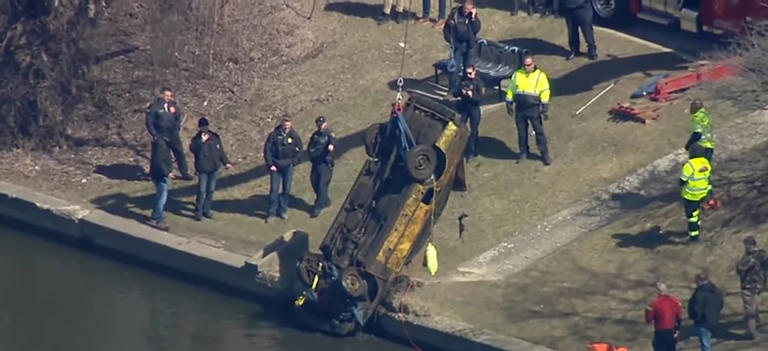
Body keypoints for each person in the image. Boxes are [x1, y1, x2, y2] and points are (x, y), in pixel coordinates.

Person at [505, 54, 552, 166]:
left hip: (533, 109)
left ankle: (544, 154)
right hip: (520, 109)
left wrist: (544, 107)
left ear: (533, 64)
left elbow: (545, 91)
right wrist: (508, 102)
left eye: (529, 65)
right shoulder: (517, 74)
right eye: (525, 65)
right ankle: (523, 152)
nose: (527, 67)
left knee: (539, 132)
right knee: (522, 132)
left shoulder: (540, 76)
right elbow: (511, 88)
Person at [145, 86, 194, 180]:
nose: (168, 98)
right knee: (161, 155)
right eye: (166, 95)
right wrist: (154, 134)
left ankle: (185, 173)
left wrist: (177, 128)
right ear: (162, 95)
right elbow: (149, 122)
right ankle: (163, 173)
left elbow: (178, 117)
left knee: (179, 153)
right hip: (160, 134)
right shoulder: (155, 106)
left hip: (173, 134)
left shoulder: (173, 105)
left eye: (170, 96)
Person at [189, 117, 232, 221]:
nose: (204, 128)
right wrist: (201, 142)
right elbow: (193, 150)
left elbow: (220, 150)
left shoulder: (215, 137)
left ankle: (207, 210)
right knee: (201, 190)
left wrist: (226, 162)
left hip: (214, 167)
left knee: (210, 190)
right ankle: (198, 212)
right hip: (202, 168)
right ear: (199, 128)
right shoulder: (196, 139)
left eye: (206, 126)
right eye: (202, 127)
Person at [263, 116, 302, 223]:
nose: (286, 126)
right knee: (274, 190)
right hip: (275, 167)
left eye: (288, 124)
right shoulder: (274, 135)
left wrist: (294, 162)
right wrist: (270, 164)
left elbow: (300, 150)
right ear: (281, 124)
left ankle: (283, 211)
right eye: (284, 124)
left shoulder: (294, 135)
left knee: (286, 190)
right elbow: (267, 151)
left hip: (288, 166)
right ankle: (271, 213)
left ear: (291, 124)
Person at [443, 0, 481, 100]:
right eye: (465, 9)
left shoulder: (473, 17)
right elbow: (447, 28)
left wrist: (473, 17)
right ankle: (452, 92)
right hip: (457, 46)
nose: (466, 11)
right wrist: (450, 40)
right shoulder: (455, 14)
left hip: (469, 46)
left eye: (468, 10)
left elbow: (476, 29)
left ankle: (467, 91)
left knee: (468, 70)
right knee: (454, 70)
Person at [736, 236, 768, 339]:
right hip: (758, 286)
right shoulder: (762, 254)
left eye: (746, 245)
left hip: (749, 286)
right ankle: (756, 323)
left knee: (749, 310)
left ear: (750, 245)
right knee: (754, 306)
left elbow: (739, 269)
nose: (745, 247)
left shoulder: (748, 258)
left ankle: (752, 332)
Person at [679, 144, 712, 241]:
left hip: (691, 195)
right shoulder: (706, 163)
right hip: (703, 192)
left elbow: (682, 180)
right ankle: (697, 224)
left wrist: (681, 188)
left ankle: (694, 236)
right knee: (696, 211)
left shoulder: (689, 166)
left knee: (691, 216)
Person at [688, 272, 724, 351]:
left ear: (700, 281)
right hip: (713, 318)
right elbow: (721, 304)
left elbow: (696, 308)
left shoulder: (699, 294)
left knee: (705, 343)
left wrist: (696, 317)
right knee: (707, 339)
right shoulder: (716, 291)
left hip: (703, 321)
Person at [307, 116, 335, 218]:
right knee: (314, 182)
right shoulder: (315, 135)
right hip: (316, 163)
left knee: (321, 185)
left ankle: (318, 207)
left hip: (324, 164)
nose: (321, 126)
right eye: (319, 124)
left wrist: (331, 146)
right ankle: (325, 200)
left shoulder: (329, 134)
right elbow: (310, 146)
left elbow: (332, 141)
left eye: (322, 124)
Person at [645, 281, 682, 351]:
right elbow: (679, 317)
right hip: (671, 330)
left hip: (660, 331)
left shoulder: (654, 303)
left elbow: (648, 319)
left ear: (657, 292)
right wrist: (677, 329)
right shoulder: (675, 301)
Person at [458, 64, 483, 161]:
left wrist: (472, 95)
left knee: (474, 131)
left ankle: (472, 152)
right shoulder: (463, 80)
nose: (468, 75)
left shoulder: (479, 82)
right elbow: (456, 92)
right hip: (464, 107)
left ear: (474, 71)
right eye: (466, 73)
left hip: (474, 108)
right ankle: (461, 149)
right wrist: (461, 92)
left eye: (470, 73)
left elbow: (480, 98)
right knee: (460, 127)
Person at [148, 136, 173, 231]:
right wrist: (167, 172)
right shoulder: (161, 145)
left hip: (157, 173)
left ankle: (154, 216)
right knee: (162, 197)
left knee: (160, 196)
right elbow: (159, 162)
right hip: (160, 174)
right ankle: (159, 220)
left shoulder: (160, 143)